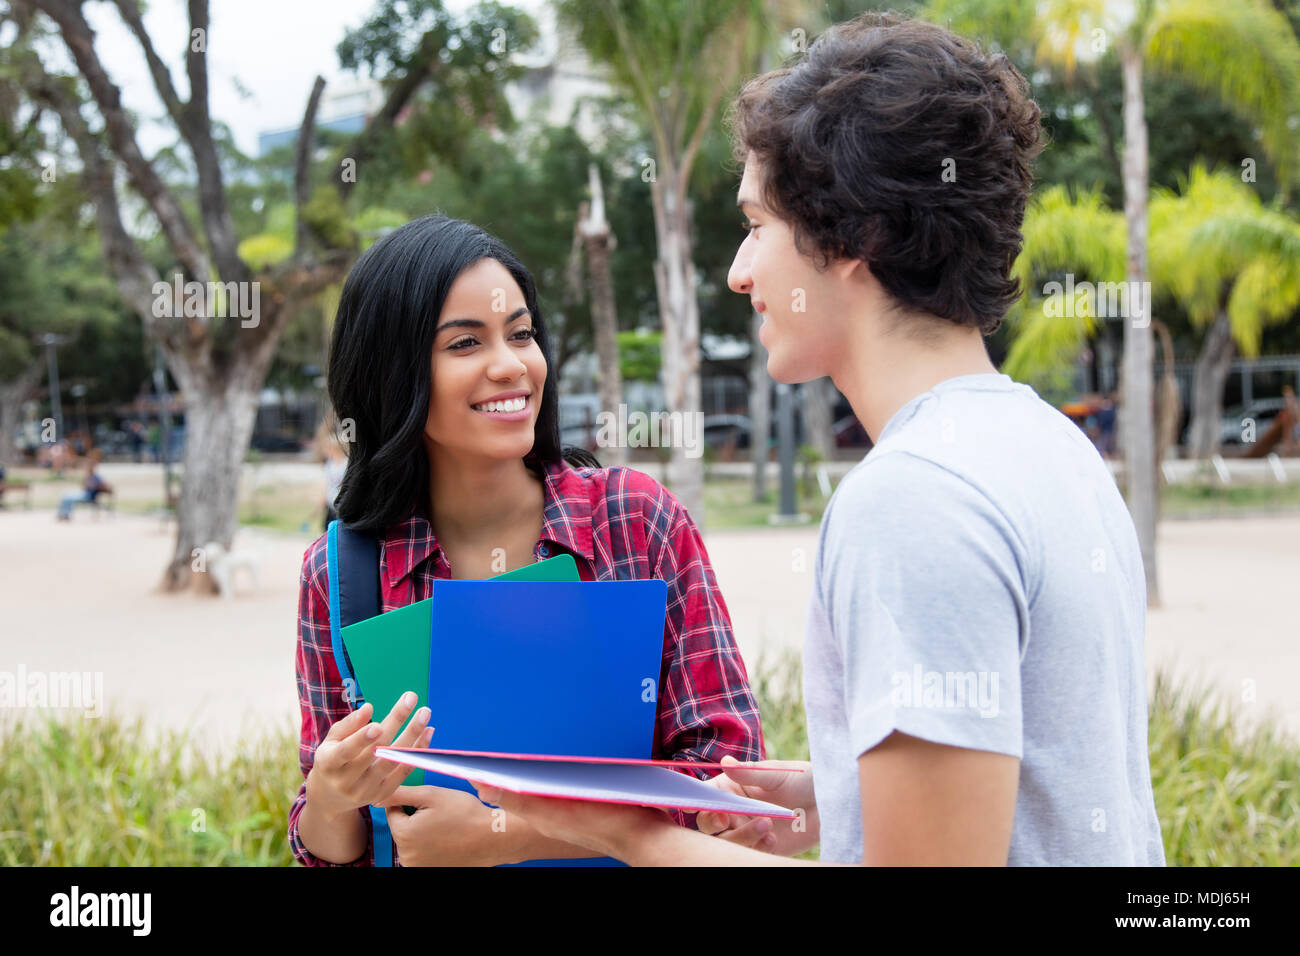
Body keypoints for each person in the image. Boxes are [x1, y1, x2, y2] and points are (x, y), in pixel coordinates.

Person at [476, 12, 1165, 866]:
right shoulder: (1049, 446)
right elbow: (1042, 788)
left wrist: (627, 835)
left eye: (757, 224)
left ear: (856, 236)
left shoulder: (915, 500)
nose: (739, 271)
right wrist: (838, 795)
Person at [289, 214, 767, 867]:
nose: (511, 366)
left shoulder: (633, 521)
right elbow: (328, 852)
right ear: (393, 373)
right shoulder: (342, 570)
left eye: (521, 334)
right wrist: (330, 794)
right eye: (465, 344)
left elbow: (728, 784)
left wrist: (502, 836)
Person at [56, 450, 112, 521]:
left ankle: (64, 515)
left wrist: (97, 486)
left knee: (68, 497)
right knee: (66, 495)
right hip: (85, 493)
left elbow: (103, 485)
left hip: (88, 496)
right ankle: (63, 514)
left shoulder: (97, 477)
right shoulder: (90, 476)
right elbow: (84, 485)